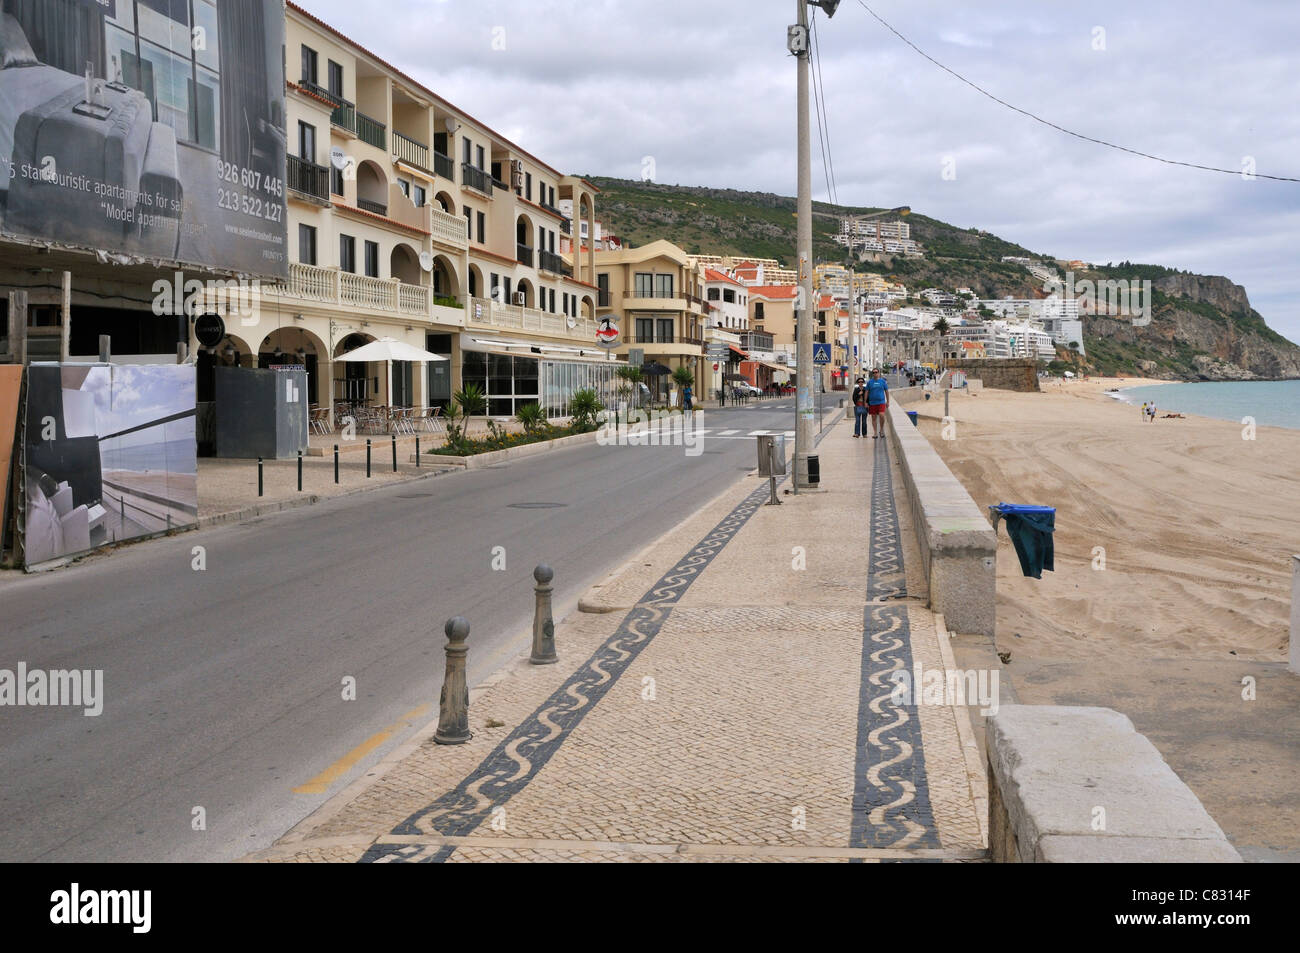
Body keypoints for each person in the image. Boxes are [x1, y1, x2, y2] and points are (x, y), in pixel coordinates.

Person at [866, 368, 889, 439]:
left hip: (881, 402)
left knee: (882, 415)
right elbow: (866, 392)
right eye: (873, 372)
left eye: (876, 372)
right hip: (872, 403)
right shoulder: (870, 382)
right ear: (872, 374)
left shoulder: (883, 381)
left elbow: (886, 391)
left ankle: (881, 429)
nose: (875, 374)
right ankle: (875, 432)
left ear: (879, 373)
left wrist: (888, 401)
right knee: (873, 418)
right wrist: (865, 402)